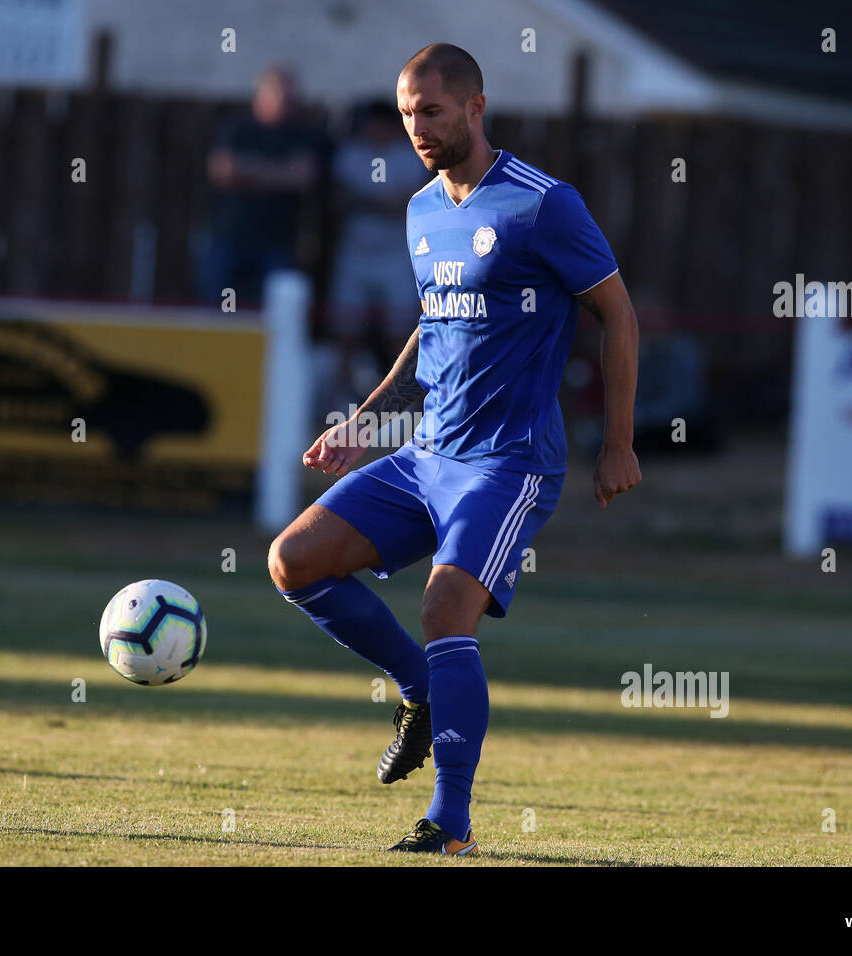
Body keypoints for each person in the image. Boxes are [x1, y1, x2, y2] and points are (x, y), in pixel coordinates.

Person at [267, 43, 641, 856]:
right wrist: (365, 421)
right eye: (406, 115)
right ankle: (419, 691)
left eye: (432, 112)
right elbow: (431, 331)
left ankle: (449, 824)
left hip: (507, 462)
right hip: (426, 453)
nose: (418, 129)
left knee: (444, 609)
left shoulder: (544, 204)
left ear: (475, 105)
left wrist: (617, 441)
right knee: (293, 560)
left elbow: (618, 313)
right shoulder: (422, 210)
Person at [327, 98, 434, 409]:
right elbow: (340, 199)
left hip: (397, 258)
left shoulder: (410, 158)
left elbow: (408, 202)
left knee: (400, 332)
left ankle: (404, 401)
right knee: (346, 330)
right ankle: (339, 399)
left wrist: (370, 201)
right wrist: (380, 202)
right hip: (355, 255)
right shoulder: (351, 154)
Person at [195, 66, 325, 306]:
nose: (289, 104)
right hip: (229, 236)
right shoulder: (237, 129)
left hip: (277, 241)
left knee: (273, 313)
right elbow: (223, 172)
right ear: (262, 95)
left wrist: (250, 172)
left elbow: (302, 178)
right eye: (283, 97)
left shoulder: (304, 134)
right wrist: (279, 172)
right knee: (216, 308)